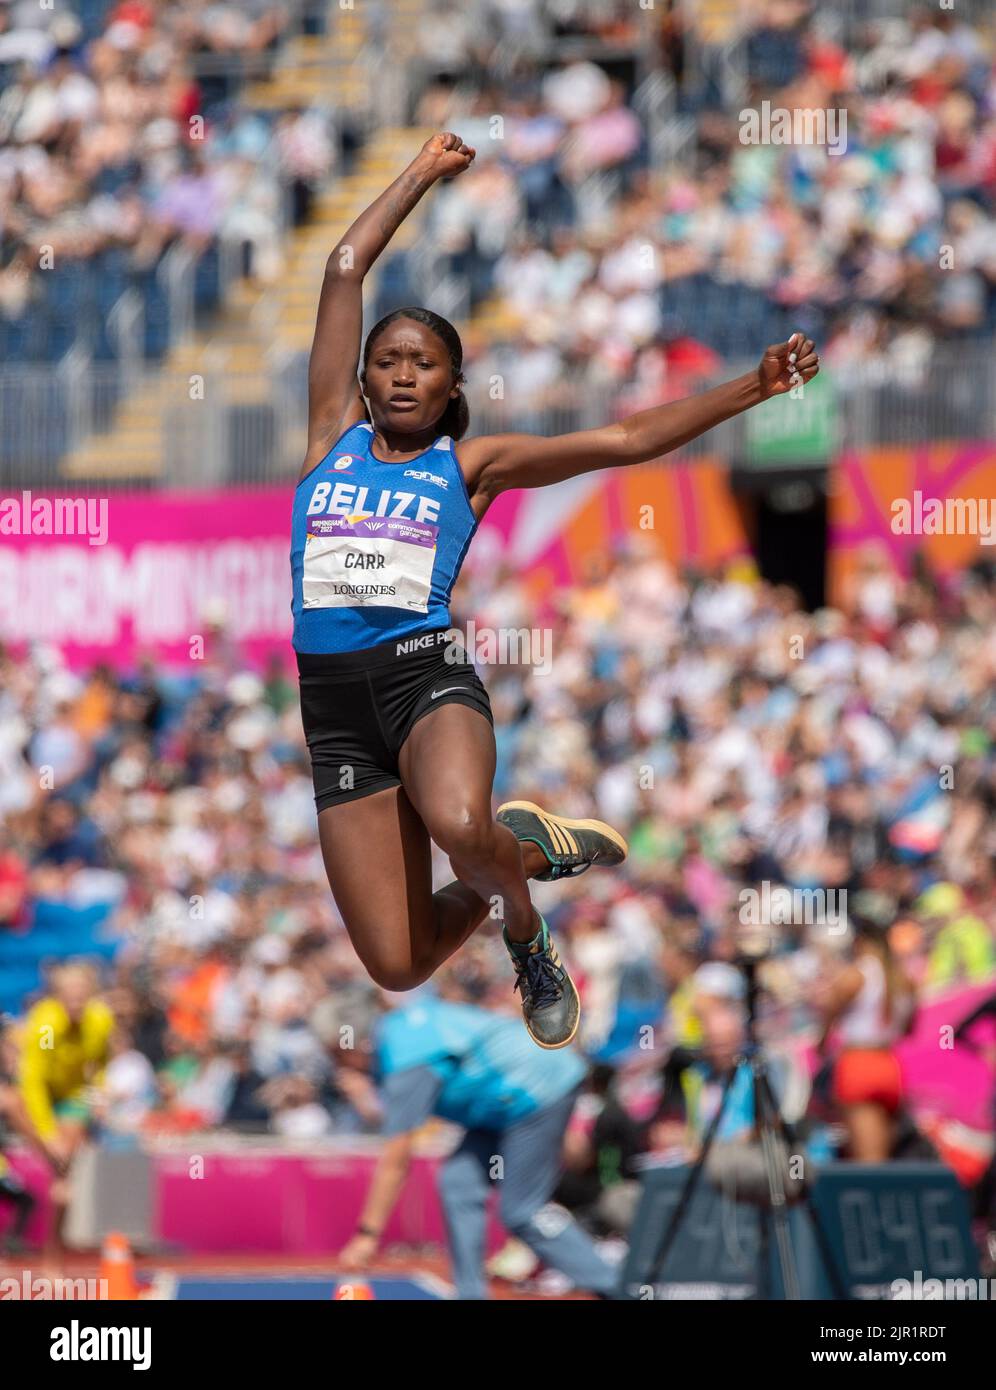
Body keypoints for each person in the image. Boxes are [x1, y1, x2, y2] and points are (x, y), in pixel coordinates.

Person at [293, 130, 820, 1047]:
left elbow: (622, 443)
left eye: (424, 362)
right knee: (397, 961)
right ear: (365, 384)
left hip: (424, 680)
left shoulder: (475, 466)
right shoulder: (326, 442)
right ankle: (530, 847)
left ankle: (527, 936)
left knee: (461, 824)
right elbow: (344, 266)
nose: (403, 373)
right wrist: (419, 171)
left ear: (454, 383)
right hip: (334, 710)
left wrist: (753, 389)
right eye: (387, 362)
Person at [338, 988, 618, 1299]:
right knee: (459, 1182)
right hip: (503, 1105)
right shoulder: (402, 1026)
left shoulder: (406, 1062)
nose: (336, 1063)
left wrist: (367, 1235)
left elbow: (396, 1159)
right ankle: (470, 1294)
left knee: (522, 1210)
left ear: (359, 1042)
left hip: (536, 1091)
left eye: (336, 1052)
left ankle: (617, 1286)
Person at [816, 919, 917, 1162]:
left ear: (860, 941)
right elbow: (908, 1028)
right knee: (883, 1152)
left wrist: (822, 1041)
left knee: (868, 1160)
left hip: (858, 1065)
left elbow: (830, 1007)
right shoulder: (903, 979)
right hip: (889, 1065)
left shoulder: (858, 974)